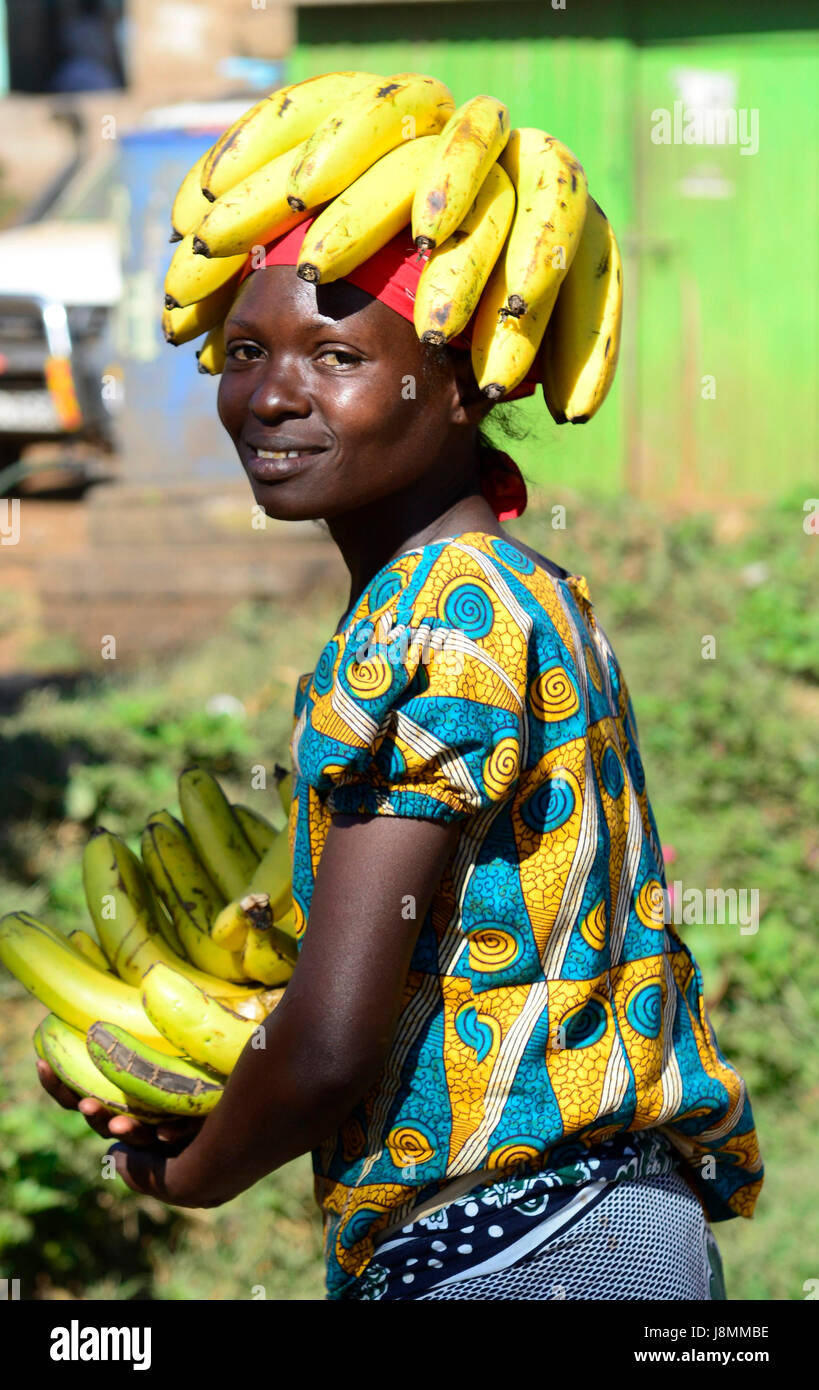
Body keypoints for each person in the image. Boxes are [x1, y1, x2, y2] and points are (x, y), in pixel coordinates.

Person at [37, 214, 764, 1301]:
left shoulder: (429, 619)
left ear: (462, 387)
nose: (273, 396)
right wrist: (193, 1066)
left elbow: (329, 1041)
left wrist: (192, 1171)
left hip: (516, 1255)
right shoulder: (528, 589)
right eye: (246, 352)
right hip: (620, 1228)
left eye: (337, 357)